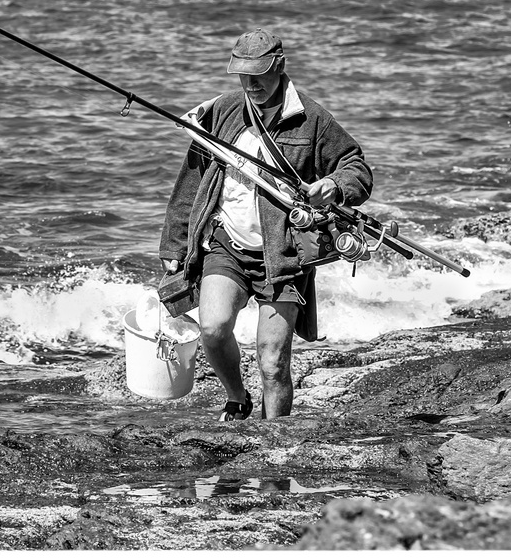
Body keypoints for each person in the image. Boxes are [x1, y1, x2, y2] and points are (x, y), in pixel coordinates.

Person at [158, 28, 373, 421]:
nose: (250, 84)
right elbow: (191, 179)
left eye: (258, 73)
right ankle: (237, 399)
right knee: (213, 327)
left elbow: (357, 168)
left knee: (273, 362)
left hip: (285, 254)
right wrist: (173, 248)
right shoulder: (221, 111)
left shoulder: (313, 120)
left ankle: (272, 446)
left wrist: (333, 185)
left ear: (280, 65)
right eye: (242, 74)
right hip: (226, 245)